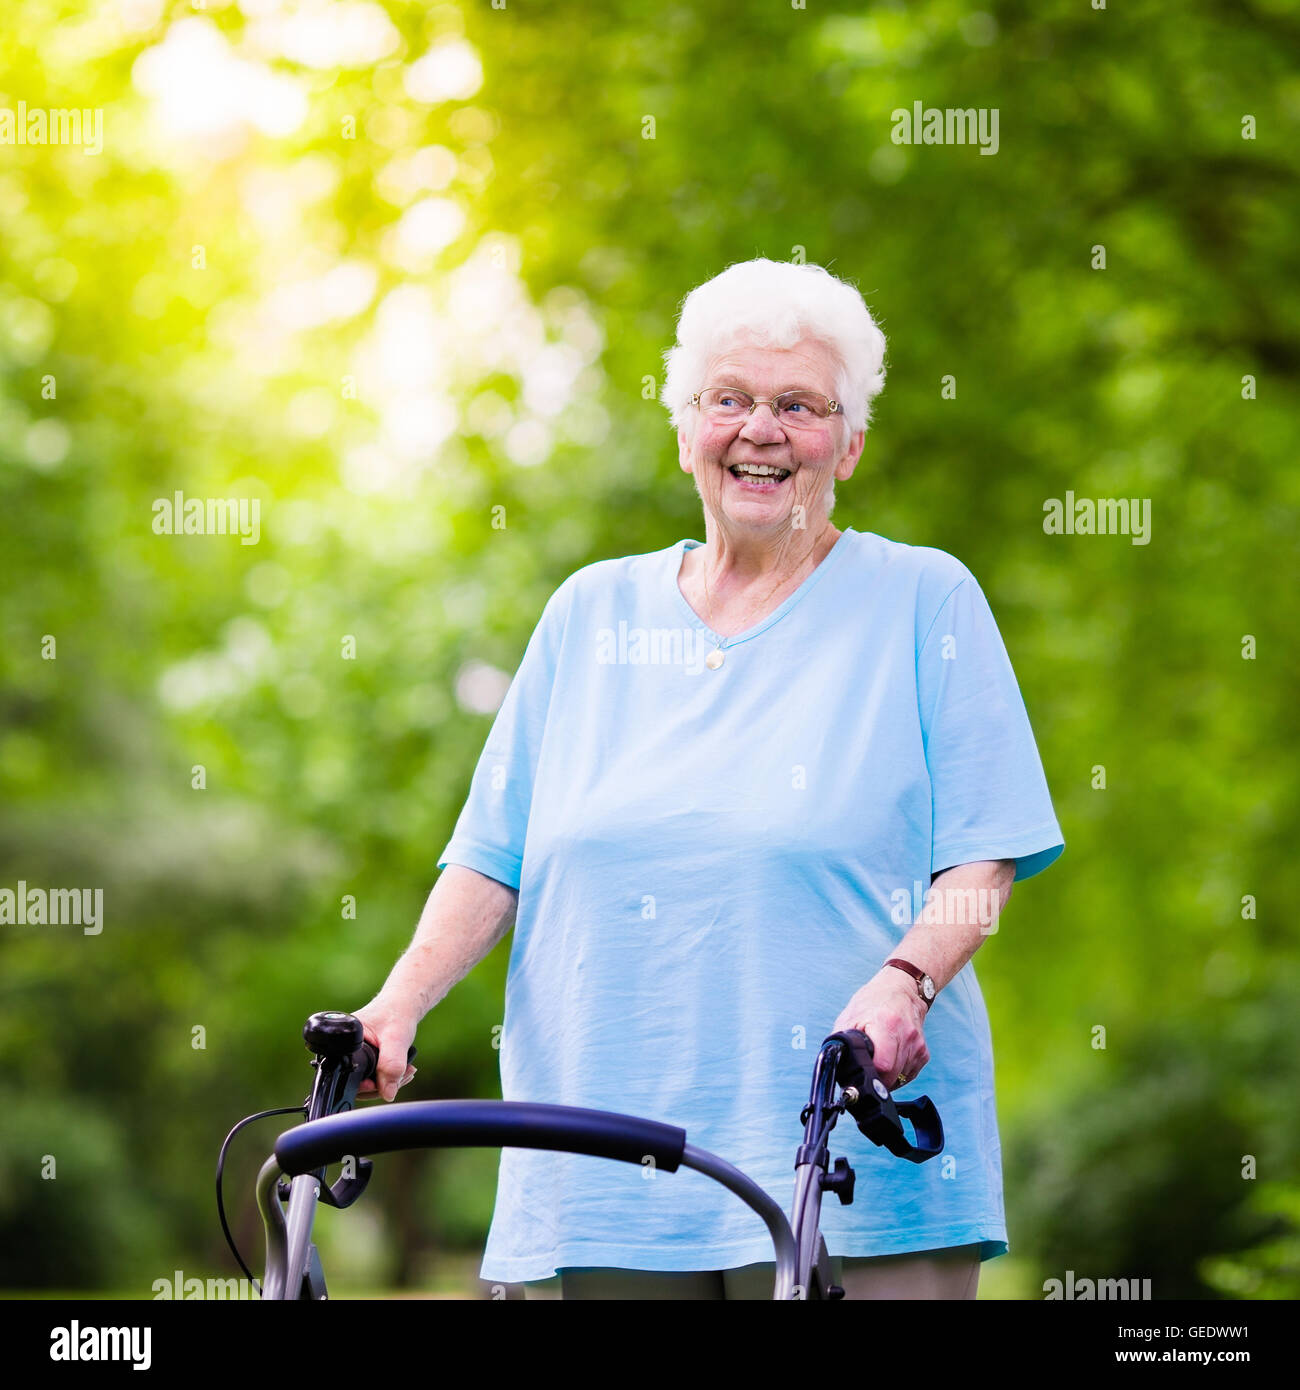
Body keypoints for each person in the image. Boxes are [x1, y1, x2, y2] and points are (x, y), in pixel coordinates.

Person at [354, 257, 1064, 1300]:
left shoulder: (924, 601)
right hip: (605, 1160)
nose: (760, 430)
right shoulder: (589, 615)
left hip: (854, 1157)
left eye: (799, 405)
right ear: (686, 429)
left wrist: (904, 979)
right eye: (727, 398)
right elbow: (491, 858)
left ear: (851, 443)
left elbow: (982, 857)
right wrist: (396, 1004)